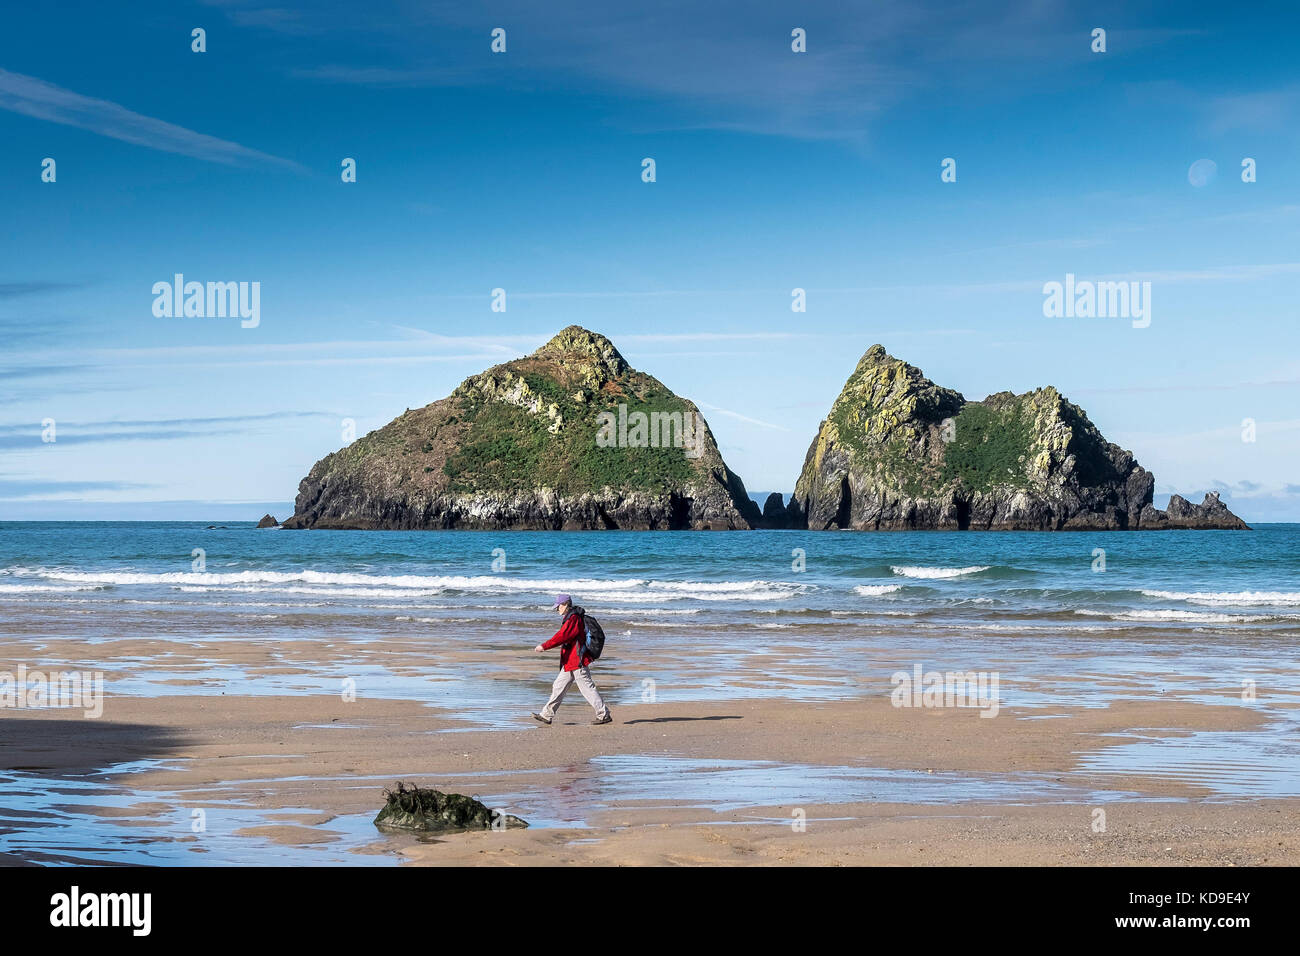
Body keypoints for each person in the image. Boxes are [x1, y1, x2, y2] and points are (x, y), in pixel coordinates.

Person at [531, 593, 612, 725]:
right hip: (570, 661)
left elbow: (562, 636)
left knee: (587, 689)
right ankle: (546, 715)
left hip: (577, 661)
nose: (557, 609)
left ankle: (604, 715)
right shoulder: (572, 617)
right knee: (558, 686)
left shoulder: (573, 619)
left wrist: (544, 646)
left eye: (558, 606)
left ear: (565, 605)